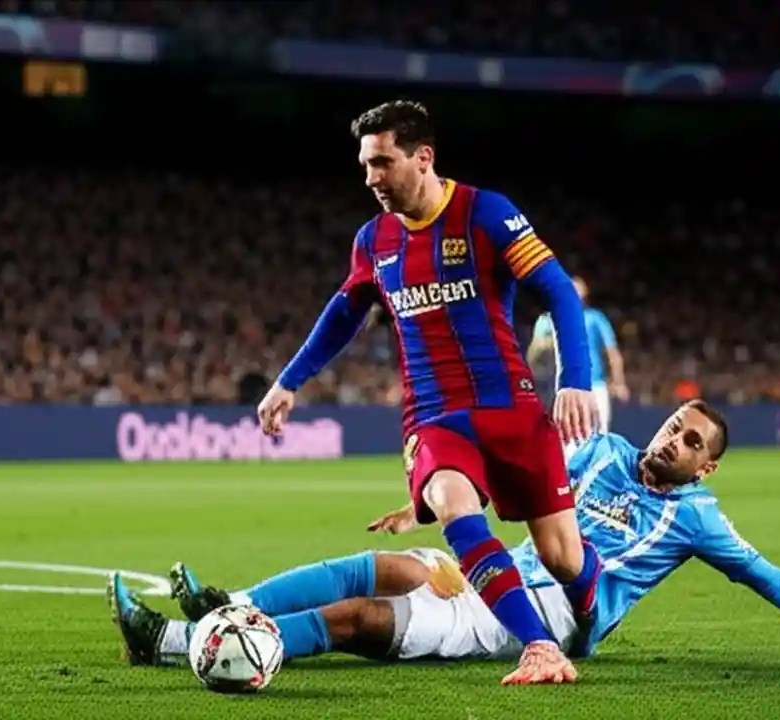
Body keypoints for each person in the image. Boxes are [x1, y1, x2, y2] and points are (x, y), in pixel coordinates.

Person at [107, 401, 780, 676]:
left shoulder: (697, 519)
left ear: (709, 467)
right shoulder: (599, 451)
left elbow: (769, 579)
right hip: (496, 569)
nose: (674, 441)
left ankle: (172, 644)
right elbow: (517, 479)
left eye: (693, 442)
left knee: (358, 618)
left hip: (541, 619)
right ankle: (225, 611)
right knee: (370, 565)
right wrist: (430, 509)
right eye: (675, 426)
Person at [254, 100, 600, 684]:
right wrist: (289, 380)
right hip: (434, 419)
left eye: (382, 163)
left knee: (562, 557)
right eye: (365, 166)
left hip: (511, 410)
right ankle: (539, 645)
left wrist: (575, 381)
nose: (371, 179)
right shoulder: (374, 240)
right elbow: (344, 314)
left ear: (423, 157)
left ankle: (588, 611)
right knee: (451, 503)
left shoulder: (485, 213)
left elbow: (559, 291)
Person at [527, 276, 629, 432]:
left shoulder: (596, 318)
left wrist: (619, 382)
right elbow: (534, 354)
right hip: (560, 388)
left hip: (595, 385)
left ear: (585, 294)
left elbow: (612, 352)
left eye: (578, 290)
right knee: (565, 437)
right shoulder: (547, 320)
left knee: (599, 435)